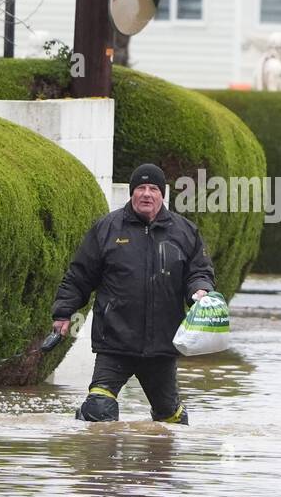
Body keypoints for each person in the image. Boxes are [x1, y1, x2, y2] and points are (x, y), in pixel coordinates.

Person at [51, 163, 214, 425]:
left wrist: (200, 290)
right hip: (115, 342)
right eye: (140, 188)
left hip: (163, 346)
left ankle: (162, 458)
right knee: (99, 411)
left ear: (162, 195)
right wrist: (63, 313)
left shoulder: (185, 232)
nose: (146, 194)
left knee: (171, 421)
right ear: (132, 193)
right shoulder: (106, 228)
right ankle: (99, 453)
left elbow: (199, 272)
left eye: (153, 188)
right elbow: (79, 275)